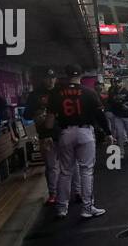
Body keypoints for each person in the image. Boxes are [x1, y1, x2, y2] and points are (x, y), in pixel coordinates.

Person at [53, 65, 109, 219]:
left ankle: (62, 208)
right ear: (81, 75)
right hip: (84, 131)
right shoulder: (89, 92)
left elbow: (50, 120)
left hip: (65, 132)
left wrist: (49, 135)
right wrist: (108, 132)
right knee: (86, 171)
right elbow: (99, 115)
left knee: (65, 172)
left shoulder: (57, 93)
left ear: (66, 75)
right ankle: (87, 208)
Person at [23, 69, 60, 206]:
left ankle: (73, 191)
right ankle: (53, 193)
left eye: (53, 77)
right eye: (48, 78)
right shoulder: (35, 95)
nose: (51, 80)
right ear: (43, 79)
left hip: (62, 132)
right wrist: (36, 115)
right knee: (51, 166)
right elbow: (26, 115)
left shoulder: (61, 91)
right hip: (45, 134)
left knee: (68, 165)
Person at [105, 84, 128, 150]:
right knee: (119, 134)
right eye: (116, 82)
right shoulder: (113, 93)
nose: (117, 84)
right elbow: (110, 103)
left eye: (119, 82)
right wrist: (115, 104)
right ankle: (121, 152)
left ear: (122, 83)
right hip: (118, 116)